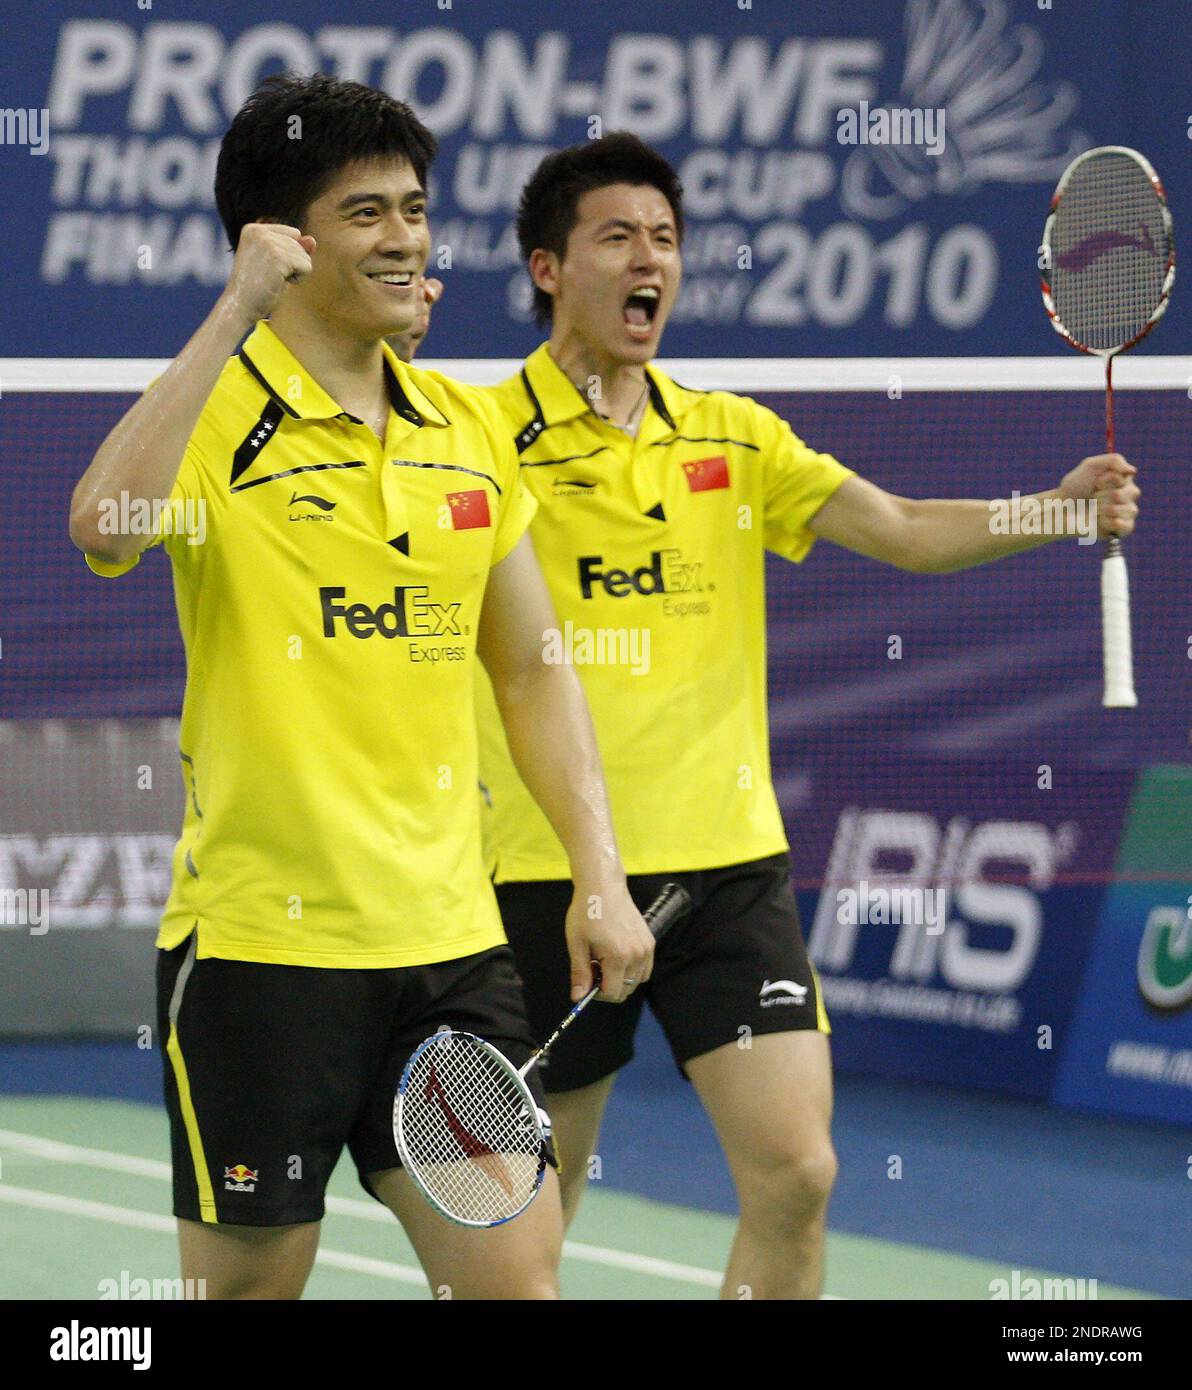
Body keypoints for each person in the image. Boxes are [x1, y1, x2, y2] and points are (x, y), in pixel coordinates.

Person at [397, 132, 1140, 1300]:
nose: (651, 260)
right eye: (617, 237)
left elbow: (898, 528)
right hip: (546, 874)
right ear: (548, 268)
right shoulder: (482, 438)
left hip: (727, 870)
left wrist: (1049, 512)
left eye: (666, 239)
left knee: (796, 1173)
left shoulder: (733, 436)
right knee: (535, 1214)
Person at [68, 77, 654, 1302]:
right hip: (262, 956)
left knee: (516, 1282)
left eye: (416, 209)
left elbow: (535, 670)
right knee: (245, 1294)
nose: (406, 239)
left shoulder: (463, 427)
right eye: (367, 212)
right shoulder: (218, 415)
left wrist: (597, 872)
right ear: (284, 240)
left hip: (450, 949)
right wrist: (236, 312)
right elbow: (105, 527)